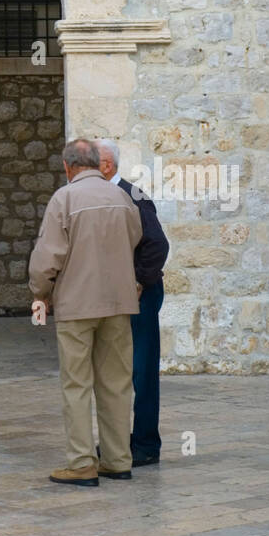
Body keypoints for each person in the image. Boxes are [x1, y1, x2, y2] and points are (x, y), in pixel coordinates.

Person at [29, 138, 142, 487]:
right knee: (117, 384)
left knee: (77, 384)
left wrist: (41, 294)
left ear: (67, 166)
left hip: (78, 303)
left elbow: (48, 256)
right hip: (119, 302)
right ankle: (118, 459)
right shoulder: (122, 197)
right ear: (97, 163)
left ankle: (81, 463)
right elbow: (136, 239)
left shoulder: (64, 199)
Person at [96, 139, 169, 468]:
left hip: (140, 295)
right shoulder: (100, 197)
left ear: (106, 165)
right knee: (117, 370)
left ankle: (145, 445)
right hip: (115, 296)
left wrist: (139, 280)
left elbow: (157, 244)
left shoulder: (133, 195)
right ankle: (121, 441)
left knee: (141, 369)